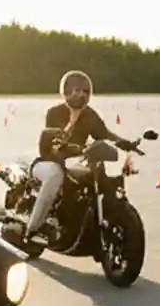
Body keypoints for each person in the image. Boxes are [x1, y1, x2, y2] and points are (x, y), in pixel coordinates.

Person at [25, 70, 137, 241]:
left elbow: (104, 133)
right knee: (56, 175)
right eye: (77, 90)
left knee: (93, 175)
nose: (81, 95)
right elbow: (52, 138)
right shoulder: (55, 112)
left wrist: (125, 143)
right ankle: (33, 228)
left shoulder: (89, 115)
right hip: (49, 160)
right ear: (67, 91)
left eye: (85, 91)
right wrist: (65, 138)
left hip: (76, 159)